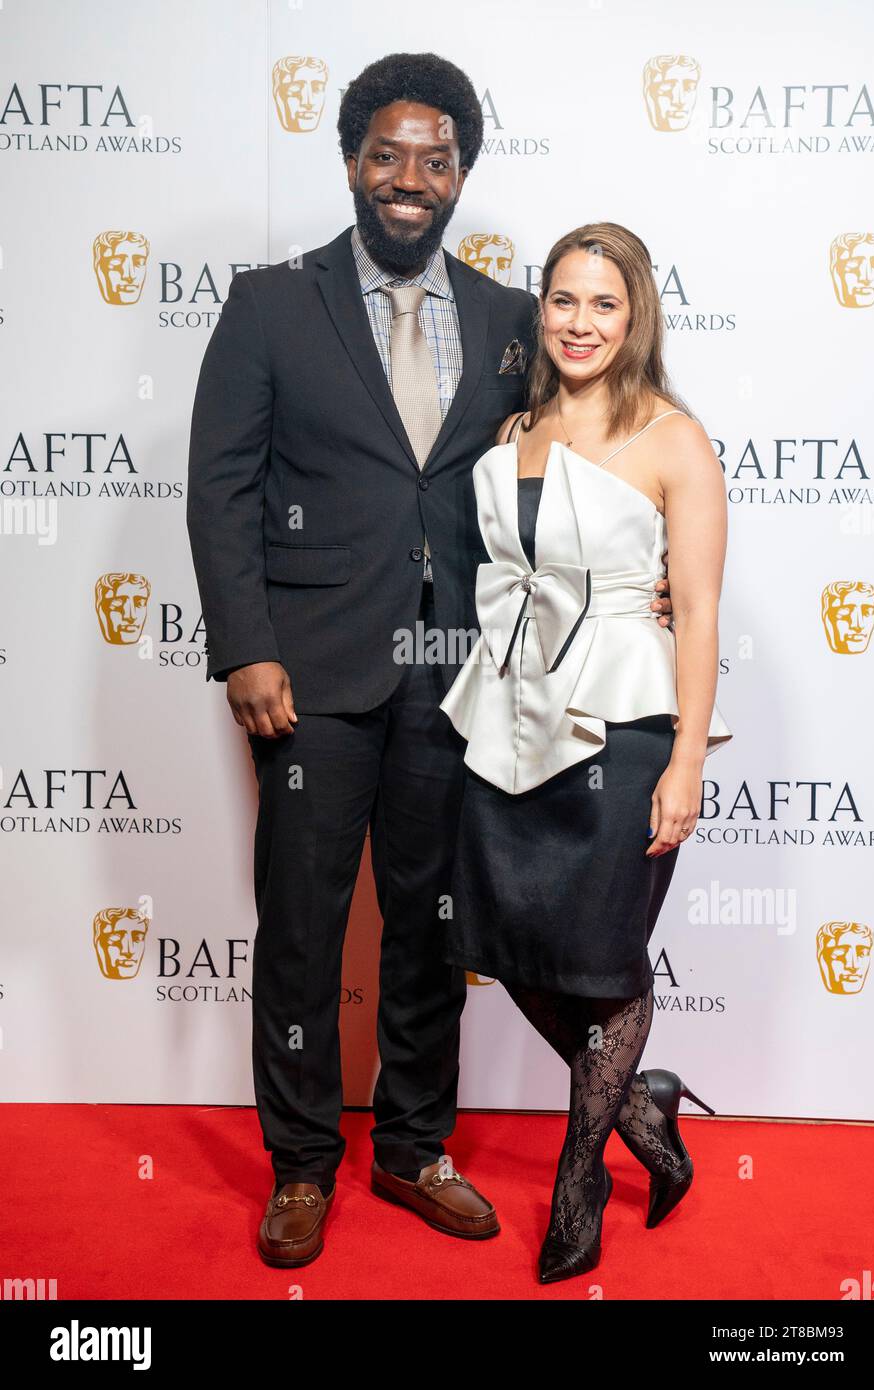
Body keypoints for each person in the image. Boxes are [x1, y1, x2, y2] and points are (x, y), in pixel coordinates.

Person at [186, 53, 677, 1269]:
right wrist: (246, 645)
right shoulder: (268, 304)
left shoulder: (517, 319)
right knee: (303, 926)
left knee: (429, 925)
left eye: (436, 158)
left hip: (463, 678)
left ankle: (413, 1146)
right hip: (311, 675)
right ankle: (302, 1164)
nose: (411, 179)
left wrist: (653, 567)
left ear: (464, 168)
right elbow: (220, 490)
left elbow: (595, 444)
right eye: (388, 155)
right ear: (351, 158)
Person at [440, 221, 733, 1284]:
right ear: (542, 309)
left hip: (623, 728)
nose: (580, 321)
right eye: (563, 300)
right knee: (511, 941)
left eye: (604, 303)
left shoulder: (672, 438)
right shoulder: (516, 430)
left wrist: (688, 758)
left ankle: (583, 1173)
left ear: (636, 314)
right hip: (510, 718)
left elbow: (695, 612)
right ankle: (645, 1113)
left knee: (604, 958)